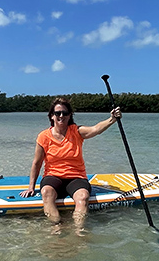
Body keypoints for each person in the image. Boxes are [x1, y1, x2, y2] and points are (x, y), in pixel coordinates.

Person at [20, 96, 122, 227]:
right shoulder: (43, 136)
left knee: (83, 197)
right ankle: (57, 227)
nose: (61, 116)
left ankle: (79, 230)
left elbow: (95, 129)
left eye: (65, 113)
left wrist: (112, 119)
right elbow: (37, 163)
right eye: (57, 113)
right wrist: (31, 187)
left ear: (69, 116)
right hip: (53, 177)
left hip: (76, 177)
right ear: (51, 116)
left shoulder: (77, 131)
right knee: (46, 193)